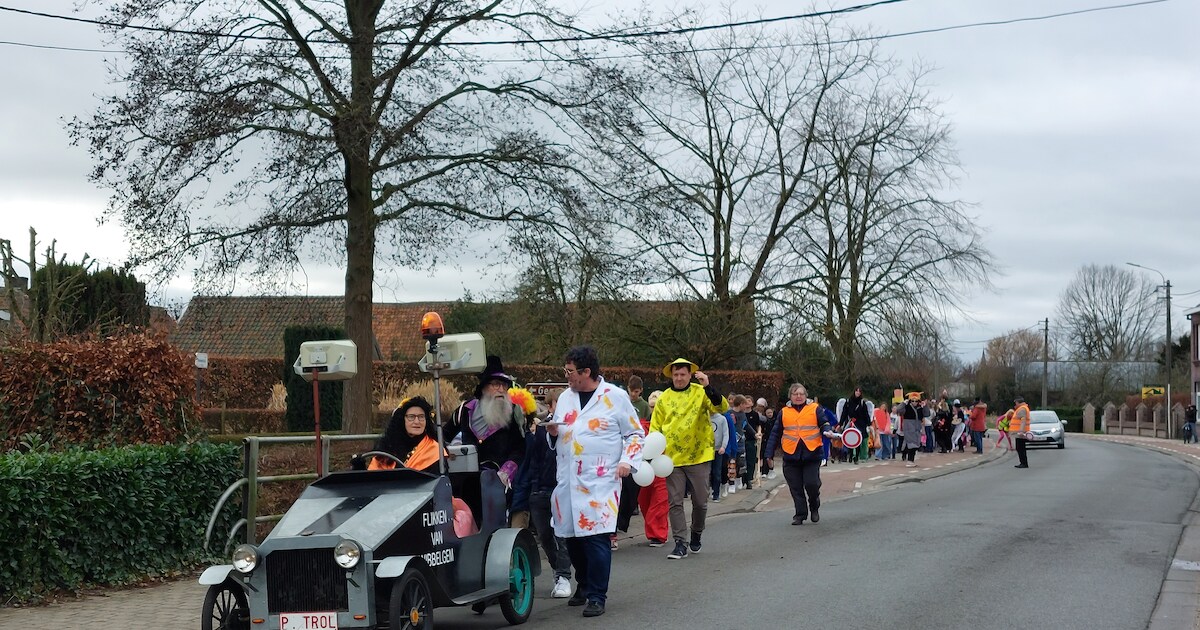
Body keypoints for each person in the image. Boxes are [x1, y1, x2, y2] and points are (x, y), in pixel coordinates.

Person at [548, 346, 645, 618]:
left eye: (570, 371)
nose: (566, 376)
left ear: (586, 372)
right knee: (572, 538)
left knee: (596, 537)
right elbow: (561, 435)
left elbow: (635, 434)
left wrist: (627, 461)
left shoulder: (615, 397)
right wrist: (553, 433)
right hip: (568, 479)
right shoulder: (565, 398)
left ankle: (597, 595)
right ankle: (584, 584)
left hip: (601, 481)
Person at [648, 357, 728, 560]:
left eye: (683, 374)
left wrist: (708, 386)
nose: (679, 378)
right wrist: (653, 450)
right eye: (676, 374)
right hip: (672, 459)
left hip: (698, 456)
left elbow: (722, 408)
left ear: (689, 375)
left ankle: (696, 532)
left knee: (700, 502)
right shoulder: (664, 398)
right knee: (675, 502)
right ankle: (680, 543)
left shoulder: (700, 392)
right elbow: (655, 427)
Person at [518, 387, 573, 599]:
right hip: (540, 489)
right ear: (550, 407)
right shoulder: (541, 429)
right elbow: (533, 459)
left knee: (562, 535)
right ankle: (557, 570)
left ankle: (563, 576)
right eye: (558, 403)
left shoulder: (572, 427)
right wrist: (534, 486)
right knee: (544, 535)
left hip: (562, 488)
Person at [443, 355, 526, 486]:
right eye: (496, 384)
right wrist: (449, 453)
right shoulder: (465, 409)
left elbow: (520, 448)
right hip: (465, 482)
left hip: (498, 482)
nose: (501, 389)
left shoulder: (513, 412)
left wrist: (507, 471)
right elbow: (443, 436)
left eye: (504, 385)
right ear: (483, 387)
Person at [764, 383, 831, 525]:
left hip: (812, 454)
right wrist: (769, 454)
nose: (798, 396)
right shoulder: (784, 412)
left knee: (812, 484)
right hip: (791, 455)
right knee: (795, 487)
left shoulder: (815, 408)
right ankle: (800, 514)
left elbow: (824, 423)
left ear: (806, 396)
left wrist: (827, 430)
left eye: (801, 394)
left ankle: (814, 506)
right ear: (790, 396)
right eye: (795, 394)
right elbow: (775, 433)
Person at [614, 376, 651, 549]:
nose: (633, 395)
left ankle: (625, 518)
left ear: (641, 391)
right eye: (631, 391)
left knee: (630, 491)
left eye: (636, 392)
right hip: (618, 451)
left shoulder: (643, 406)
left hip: (634, 450)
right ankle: (613, 529)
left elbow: (643, 429)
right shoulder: (621, 402)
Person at [368, 396, 443, 472]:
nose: (417, 421)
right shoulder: (387, 447)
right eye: (411, 417)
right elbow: (372, 477)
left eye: (421, 417)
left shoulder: (435, 450)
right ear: (402, 420)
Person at [638, 391, 670, 546]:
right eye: (651, 406)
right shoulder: (642, 425)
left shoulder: (669, 424)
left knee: (659, 503)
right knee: (644, 501)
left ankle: (659, 534)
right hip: (646, 469)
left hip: (663, 468)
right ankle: (654, 531)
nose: (654, 409)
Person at [839, 387, 871, 464]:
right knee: (850, 439)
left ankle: (856, 456)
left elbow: (866, 414)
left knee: (858, 440)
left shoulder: (862, 403)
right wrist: (840, 423)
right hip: (850, 422)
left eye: (859, 391)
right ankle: (850, 455)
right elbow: (844, 413)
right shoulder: (848, 402)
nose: (858, 392)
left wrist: (869, 424)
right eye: (856, 391)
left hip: (860, 423)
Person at [709, 411, 729, 503]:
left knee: (717, 472)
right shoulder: (705, 417)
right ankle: (709, 491)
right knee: (707, 472)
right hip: (707, 449)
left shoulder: (722, 419)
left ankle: (716, 494)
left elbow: (725, 434)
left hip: (718, 450)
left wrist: (723, 446)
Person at [899, 392, 923, 467]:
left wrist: (925, 406)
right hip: (909, 428)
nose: (914, 402)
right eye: (912, 401)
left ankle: (908, 457)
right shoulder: (906, 407)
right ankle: (910, 460)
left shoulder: (920, 408)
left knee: (915, 445)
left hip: (917, 429)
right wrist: (903, 403)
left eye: (916, 401)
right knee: (912, 445)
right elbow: (899, 410)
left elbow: (927, 414)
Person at [1011, 396, 1032, 468]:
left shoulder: (1022, 409)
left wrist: (1021, 431)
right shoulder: (1023, 408)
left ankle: (1023, 463)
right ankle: (1023, 462)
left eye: (1015, 403)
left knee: (1020, 448)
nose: (1015, 404)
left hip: (1020, 432)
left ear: (1017, 402)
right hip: (1020, 432)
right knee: (1021, 447)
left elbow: (1023, 421)